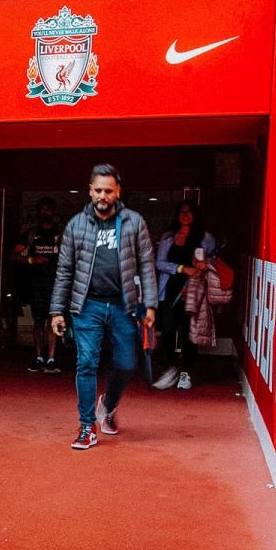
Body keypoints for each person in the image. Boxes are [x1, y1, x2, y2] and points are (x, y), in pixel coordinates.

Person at [48, 164, 158, 450]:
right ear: (90, 190)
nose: (103, 195)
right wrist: (57, 310)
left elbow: (147, 264)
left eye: (108, 190)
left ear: (118, 191)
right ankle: (87, 426)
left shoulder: (134, 222)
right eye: (98, 190)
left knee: (126, 363)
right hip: (87, 305)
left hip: (124, 305)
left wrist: (151, 305)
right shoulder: (76, 225)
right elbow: (64, 270)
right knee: (86, 363)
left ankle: (107, 404)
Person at [152, 201, 218, 391]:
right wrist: (181, 268)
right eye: (182, 212)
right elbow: (159, 263)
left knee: (190, 332)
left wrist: (204, 265)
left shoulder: (205, 238)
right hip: (169, 290)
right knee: (169, 330)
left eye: (189, 212)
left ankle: (186, 372)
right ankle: (173, 365)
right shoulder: (168, 237)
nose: (185, 215)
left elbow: (213, 260)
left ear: (195, 215)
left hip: (193, 291)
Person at [12, 197, 64, 373]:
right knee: (38, 321)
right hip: (36, 283)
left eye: (48, 209)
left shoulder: (61, 235)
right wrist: (32, 259)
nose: (45, 213)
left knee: (53, 321)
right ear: (38, 212)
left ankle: (51, 359)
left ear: (53, 212)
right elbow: (14, 256)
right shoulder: (31, 234)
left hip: (57, 284)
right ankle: (38, 357)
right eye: (42, 210)